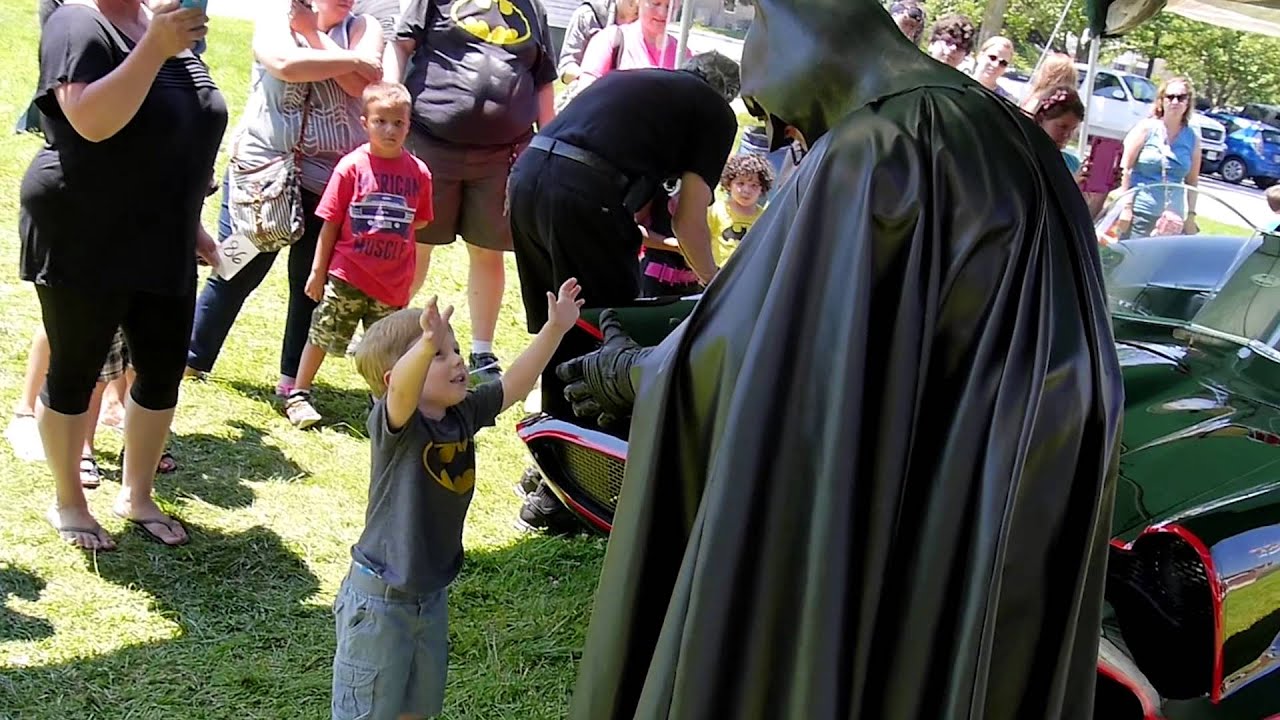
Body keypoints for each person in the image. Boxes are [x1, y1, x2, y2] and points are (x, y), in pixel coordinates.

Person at [557, 0, 1123, 716]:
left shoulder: (877, 147)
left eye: (770, 114)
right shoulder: (1015, 134)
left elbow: (762, 361)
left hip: (942, 475)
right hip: (1018, 480)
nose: (775, 133)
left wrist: (633, 373)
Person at [21, 0, 228, 550]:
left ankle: (137, 496)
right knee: (77, 368)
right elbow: (90, 120)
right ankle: (69, 502)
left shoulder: (160, 25)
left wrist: (193, 223)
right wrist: (155, 48)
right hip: (86, 230)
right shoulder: (78, 23)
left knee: (161, 370)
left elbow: (178, 130)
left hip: (164, 233)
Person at [331, 280, 584, 720]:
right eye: (439, 356)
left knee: (417, 707)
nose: (457, 361)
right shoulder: (397, 427)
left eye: (454, 349)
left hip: (428, 594)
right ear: (399, 377)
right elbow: (402, 392)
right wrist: (425, 342)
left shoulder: (461, 412)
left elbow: (514, 386)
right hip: (380, 602)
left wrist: (555, 330)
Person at [186, 0, 381, 399]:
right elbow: (286, 65)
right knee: (233, 266)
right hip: (261, 176)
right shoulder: (277, 19)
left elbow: (369, 87)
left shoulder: (366, 28)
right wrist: (350, 62)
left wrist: (312, 37)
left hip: (329, 183)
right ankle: (190, 359)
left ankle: (292, 381)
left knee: (310, 283)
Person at [384, 0, 559, 386]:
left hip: (503, 153)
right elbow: (400, 43)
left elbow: (543, 79)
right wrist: (393, 98)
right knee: (417, 243)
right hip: (431, 140)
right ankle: (386, 332)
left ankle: (482, 350)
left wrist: (547, 142)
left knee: (487, 250)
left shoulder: (534, 8)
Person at [285, 82, 435, 428]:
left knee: (388, 348)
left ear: (408, 125)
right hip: (347, 274)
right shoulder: (351, 167)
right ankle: (299, 394)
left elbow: (422, 220)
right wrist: (318, 271)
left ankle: (385, 405)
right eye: (381, 121)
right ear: (364, 121)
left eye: (398, 123)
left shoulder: (419, 173)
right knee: (323, 333)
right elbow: (331, 224)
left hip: (392, 282)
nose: (390, 130)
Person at [1115, 76, 1201, 238]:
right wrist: (1126, 207)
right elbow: (1125, 168)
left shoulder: (1192, 138)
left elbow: (1192, 181)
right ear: (1161, 101)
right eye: (1170, 97)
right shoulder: (1146, 128)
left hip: (1172, 221)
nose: (1175, 102)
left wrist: (1190, 216)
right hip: (1140, 212)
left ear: (1188, 102)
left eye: (1181, 97)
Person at [707, 153, 773, 266]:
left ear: (762, 189)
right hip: (719, 272)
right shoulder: (716, 211)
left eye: (754, 185)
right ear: (729, 184)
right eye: (740, 183)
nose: (746, 190)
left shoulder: (765, 217)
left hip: (749, 272)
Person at [557, 0, 639, 83]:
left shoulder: (648, 22)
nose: (638, 2)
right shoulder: (588, 15)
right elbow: (567, 64)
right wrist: (588, 78)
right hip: (589, 90)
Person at [970, 35, 1014, 100]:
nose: (995, 65)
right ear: (979, 56)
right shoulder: (958, 83)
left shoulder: (1007, 101)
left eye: (1003, 63)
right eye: (992, 57)